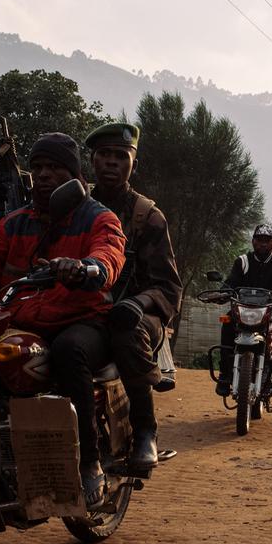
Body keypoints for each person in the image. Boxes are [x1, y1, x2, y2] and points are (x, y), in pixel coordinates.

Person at [0, 132, 125, 510]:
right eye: (37, 167)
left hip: (81, 319)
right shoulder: (15, 223)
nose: (43, 175)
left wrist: (88, 267)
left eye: (54, 168)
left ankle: (89, 462)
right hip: (23, 321)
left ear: (74, 176)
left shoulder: (100, 217)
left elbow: (109, 254)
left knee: (69, 352)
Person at [84, 122, 182, 469]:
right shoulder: (74, 208)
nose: (111, 163)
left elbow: (169, 287)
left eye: (120, 156)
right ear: (92, 161)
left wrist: (136, 304)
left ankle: (145, 432)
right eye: (104, 155)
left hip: (140, 315)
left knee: (125, 331)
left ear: (133, 165)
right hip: (85, 308)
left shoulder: (147, 217)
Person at [215, 224, 272, 397]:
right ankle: (224, 374)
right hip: (243, 311)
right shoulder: (242, 262)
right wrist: (222, 292)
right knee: (227, 321)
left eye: (267, 241)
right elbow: (231, 282)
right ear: (253, 241)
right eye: (259, 240)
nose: (263, 244)